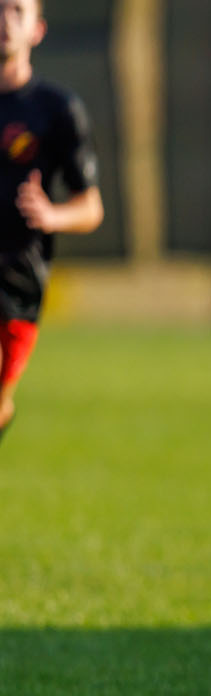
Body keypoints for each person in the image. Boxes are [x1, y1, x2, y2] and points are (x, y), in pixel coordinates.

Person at [0, 0, 103, 447]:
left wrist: (51, 215)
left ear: (36, 30)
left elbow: (91, 207)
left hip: (19, 277)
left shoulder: (55, 109)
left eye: (15, 11)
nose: (3, 20)